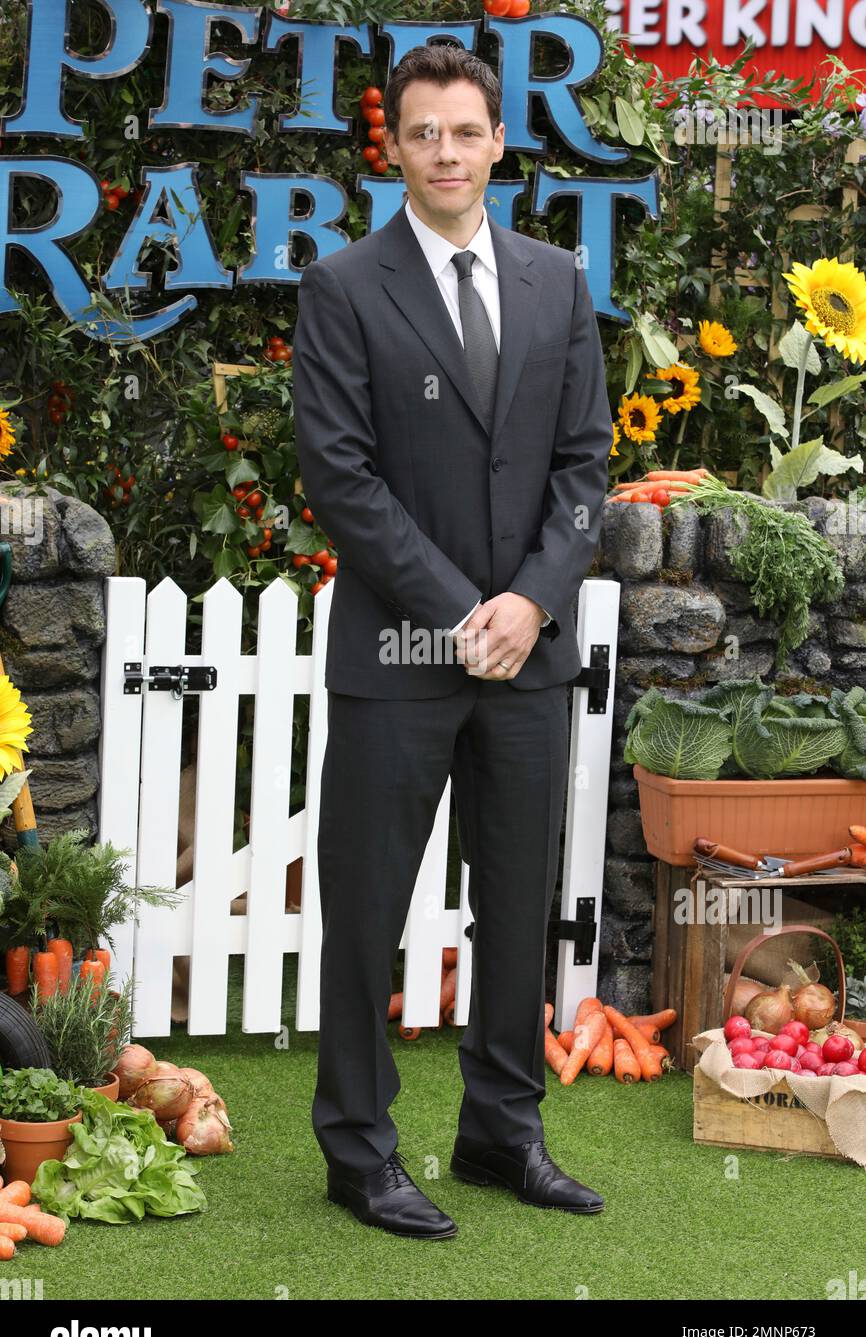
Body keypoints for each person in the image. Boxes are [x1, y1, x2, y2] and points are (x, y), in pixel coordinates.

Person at [292, 42, 613, 1239]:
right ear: (395, 148)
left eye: (463, 131)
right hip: (398, 657)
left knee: (517, 906)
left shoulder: (553, 282)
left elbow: (584, 463)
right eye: (421, 132)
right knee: (367, 908)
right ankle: (357, 1151)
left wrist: (526, 603)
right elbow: (339, 474)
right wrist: (456, 611)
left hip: (525, 654)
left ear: (494, 143)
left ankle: (499, 1134)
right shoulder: (342, 286)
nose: (443, 152)